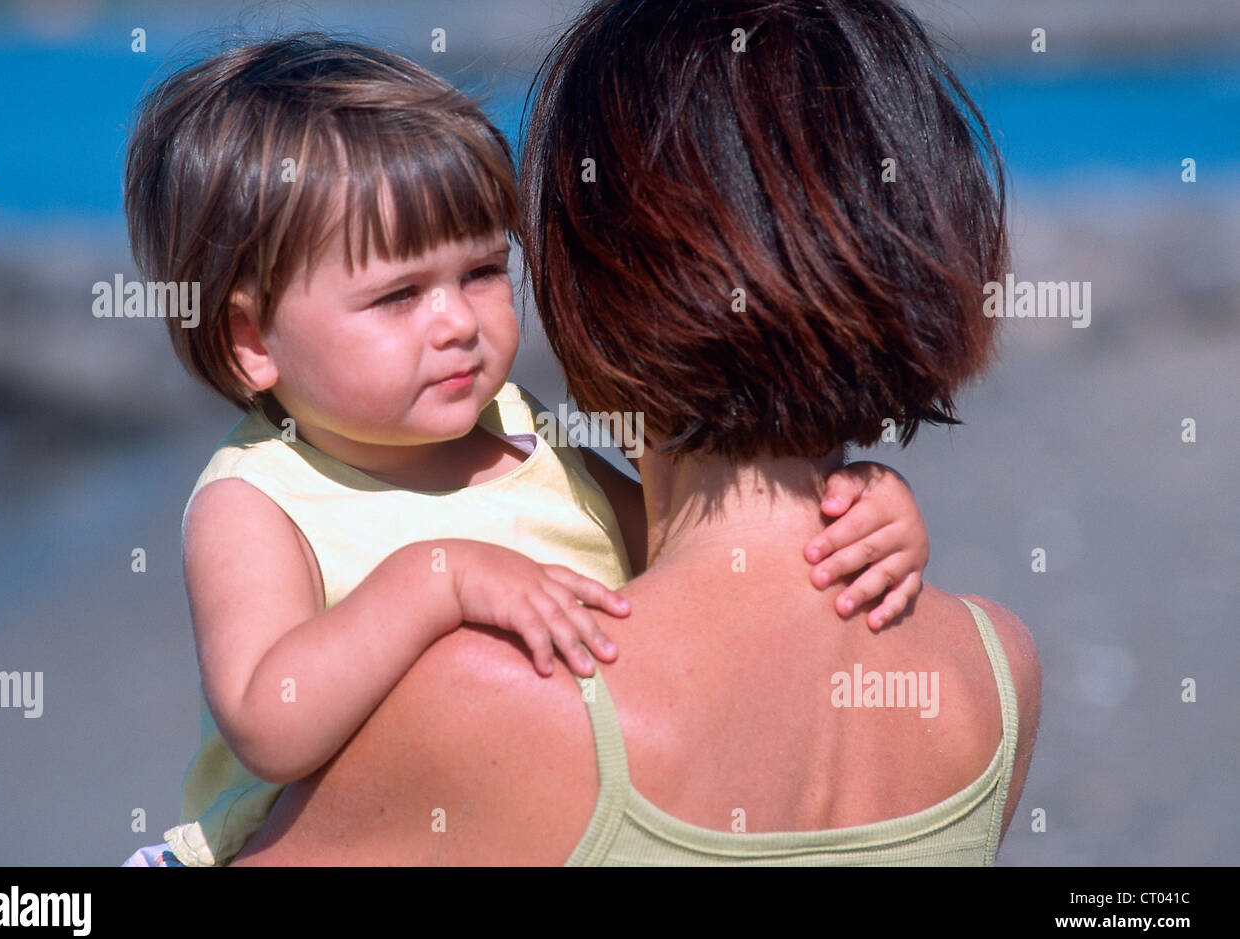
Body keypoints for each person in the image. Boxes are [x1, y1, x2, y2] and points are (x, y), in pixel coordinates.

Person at [232, 0, 1041, 867]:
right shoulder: (995, 675)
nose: (461, 323)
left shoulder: (497, 703)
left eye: (489, 270)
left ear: (598, 285)